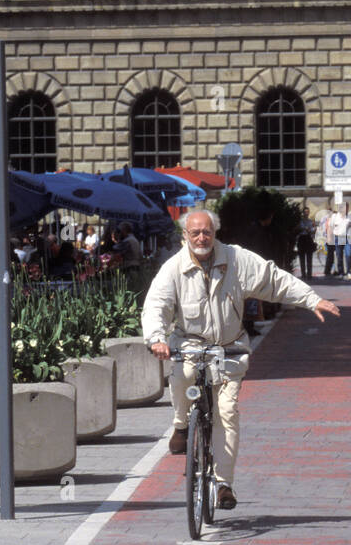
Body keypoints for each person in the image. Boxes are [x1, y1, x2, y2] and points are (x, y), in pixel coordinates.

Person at [142, 210, 340, 510]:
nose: (201, 238)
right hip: (189, 346)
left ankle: (223, 484)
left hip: (229, 350)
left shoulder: (236, 259)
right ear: (185, 235)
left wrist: (311, 299)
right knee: (181, 374)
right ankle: (181, 425)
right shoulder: (173, 268)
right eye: (194, 233)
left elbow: (273, 279)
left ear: (215, 232)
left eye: (206, 232)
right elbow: (156, 304)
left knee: (227, 413)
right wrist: (156, 338)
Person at [296, 206, 317, 280]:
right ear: (303, 213)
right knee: (302, 257)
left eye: (307, 212)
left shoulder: (310, 221)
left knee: (309, 257)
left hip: (308, 238)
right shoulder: (300, 221)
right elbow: (298, 228)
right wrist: (304, 228)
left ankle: (309, 274)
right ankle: (303, 274)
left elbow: (314, 230)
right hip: (302, 238)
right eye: (305, 212)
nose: (306, 213)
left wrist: (311, 230)